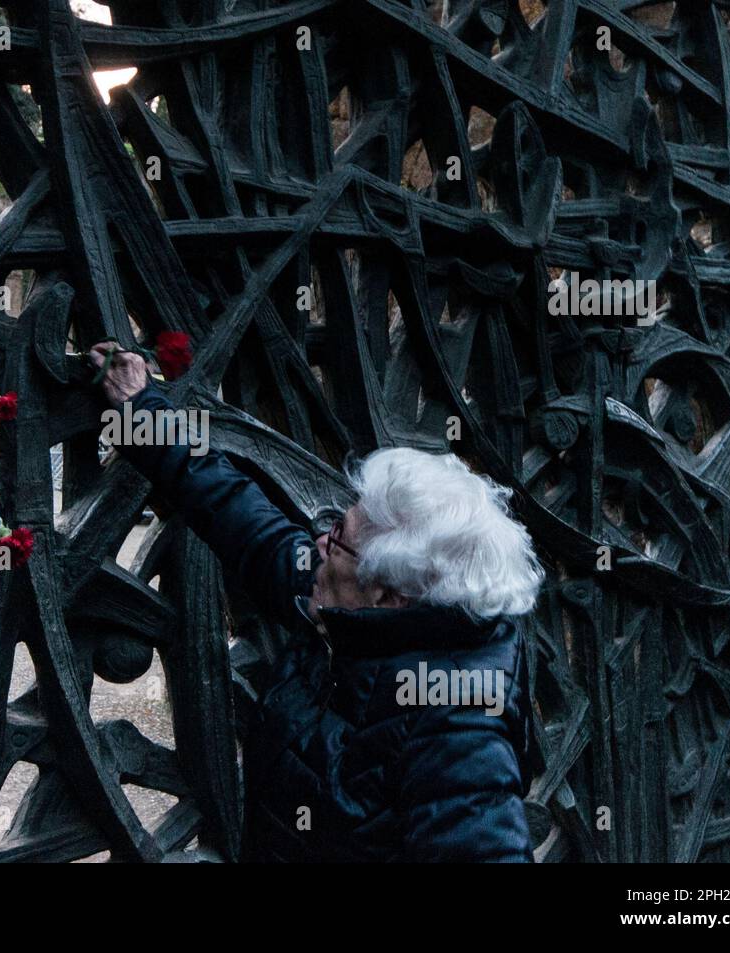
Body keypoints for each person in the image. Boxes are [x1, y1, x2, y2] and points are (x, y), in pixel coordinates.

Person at [88, 341, 546, 862]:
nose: (320, 541)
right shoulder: (353, 611)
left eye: (339, 537)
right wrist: (142, 414)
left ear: (389, 593)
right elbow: (241, 516)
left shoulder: (458, 730)